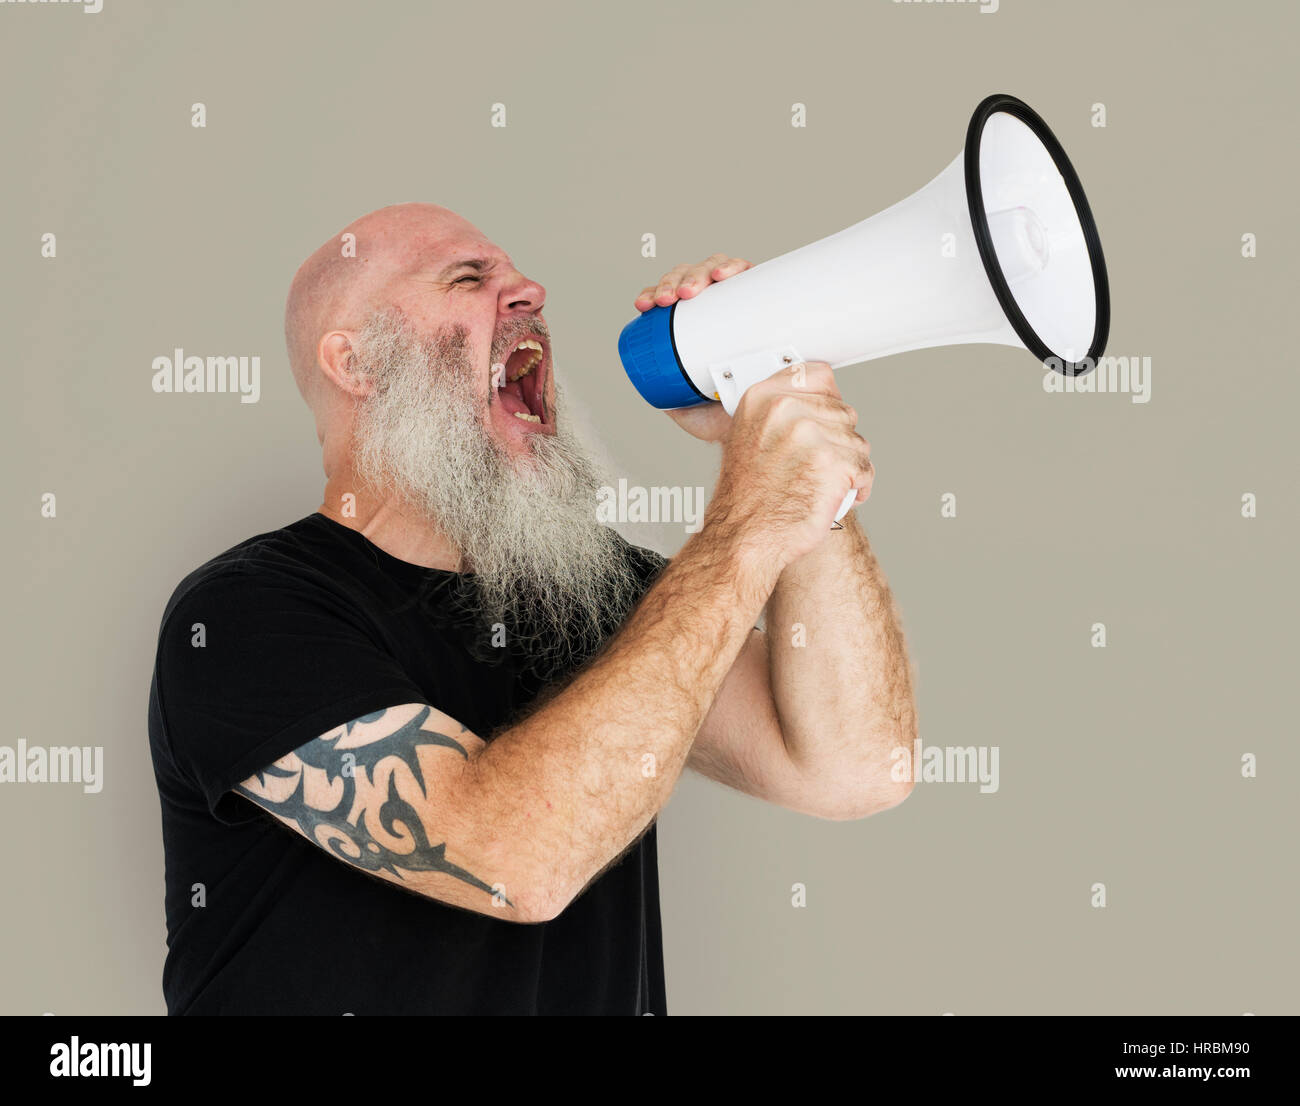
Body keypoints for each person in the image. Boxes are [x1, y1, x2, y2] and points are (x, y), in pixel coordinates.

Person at [146, 202, 917, 1015]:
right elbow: (513, 863)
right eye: (469, 279)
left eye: (516, 276)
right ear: (356, 361)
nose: (530, 292)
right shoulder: (245, 617)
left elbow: (857, 768)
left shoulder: (595, 593)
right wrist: (747, 525)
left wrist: (797, 453)